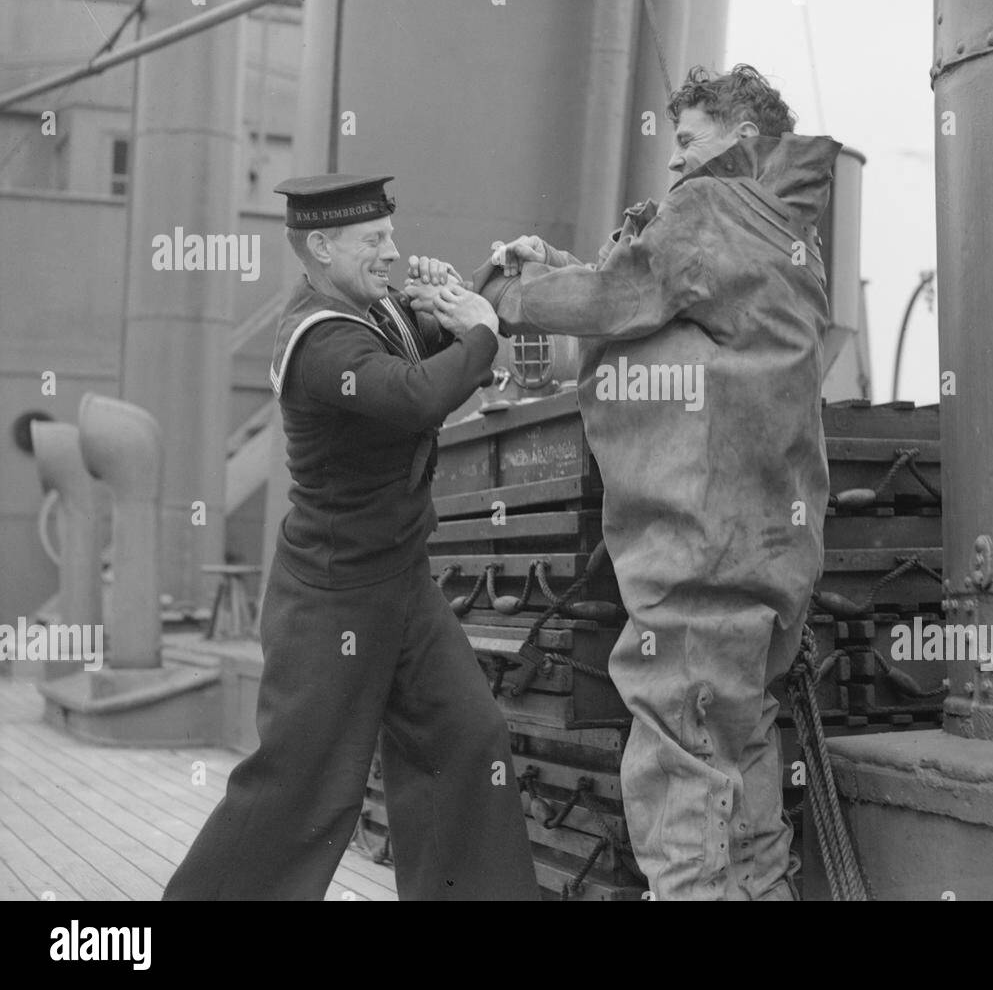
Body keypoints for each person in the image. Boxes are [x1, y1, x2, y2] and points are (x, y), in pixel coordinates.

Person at [453, 65, 840, 900]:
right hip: (776, 555)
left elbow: (622, 293)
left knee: (679, 759)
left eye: (689, 141)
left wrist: (505, 298)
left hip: (699, 551)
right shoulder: (792, 233)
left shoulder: (707, 209)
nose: (675, 165)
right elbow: (664, 300)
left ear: (740, 138)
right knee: (741, 745)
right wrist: (561, 265)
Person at [164, 173, 537, 901]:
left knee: (465, 739)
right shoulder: (321, 341)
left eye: (392, 236)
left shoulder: (362, 311)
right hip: (331, 600)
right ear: (322, 247)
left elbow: (420, 339)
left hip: (401, 584)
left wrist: (489, 274)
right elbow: (416, 393)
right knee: (303, 789)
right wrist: (484, 328)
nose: (394, 253)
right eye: (375, 241)